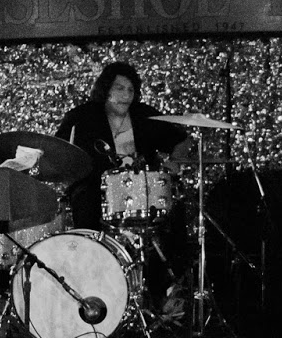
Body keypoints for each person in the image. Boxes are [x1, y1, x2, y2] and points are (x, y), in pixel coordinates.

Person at [54, 62, 187, 232]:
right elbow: (58, 150)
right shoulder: (82, 117)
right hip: (96, 189)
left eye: (130, 90)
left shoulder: (144, 115)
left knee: (174, 206)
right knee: (85, 199)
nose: (126, 95)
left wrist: (174, 162)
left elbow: (182, 140)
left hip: (143, 189)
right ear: (106, 89)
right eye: (119, 88)